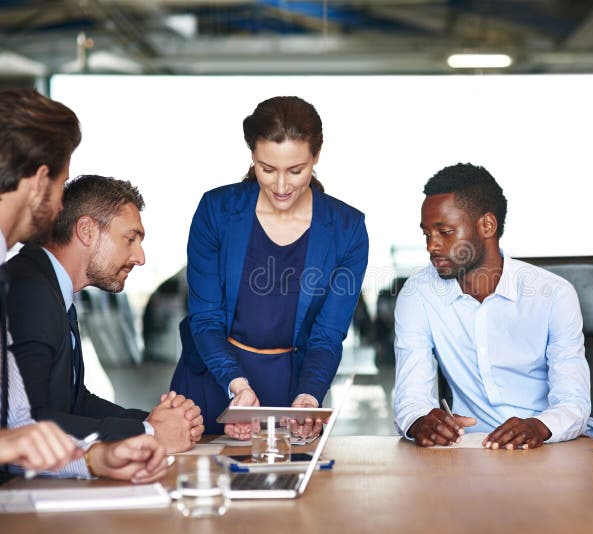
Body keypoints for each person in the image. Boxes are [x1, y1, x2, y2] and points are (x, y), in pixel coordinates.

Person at [170, 96, 369, 437]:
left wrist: (309, 395)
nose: (280, 186)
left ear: (316, 157)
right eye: (267, 169)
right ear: (252, 155)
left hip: (292, 387)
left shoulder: (347, 229)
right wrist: (236, 386)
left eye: (296, 171)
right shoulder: (216, 211)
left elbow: (327, 335)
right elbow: (205, 317)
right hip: (213, 377)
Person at [0, 88, 167, 483]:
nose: (61, 206)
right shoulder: (27, 285)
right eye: (61, 185)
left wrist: (96, 459)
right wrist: (148, 430)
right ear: (40, 182)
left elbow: (23, 426)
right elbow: (24, 432)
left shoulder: (19, 280)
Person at [393, 163, 590, 449]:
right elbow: (411, 398)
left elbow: (574, 403)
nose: (431, 246)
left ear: (487, 225)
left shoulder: (554, 295)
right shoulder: (418, 295)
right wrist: (420, 421)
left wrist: (538, 426)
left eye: (445, 232)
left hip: (548, 449)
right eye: (426, 234)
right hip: (467, 452)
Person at [6, 174, 204, 453]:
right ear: (86, 231)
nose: (140, 257)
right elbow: (29, 421)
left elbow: (76, 402)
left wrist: (153, 420)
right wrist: (149, 432)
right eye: (130, 238)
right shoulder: (30, 290)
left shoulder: (52, 289)